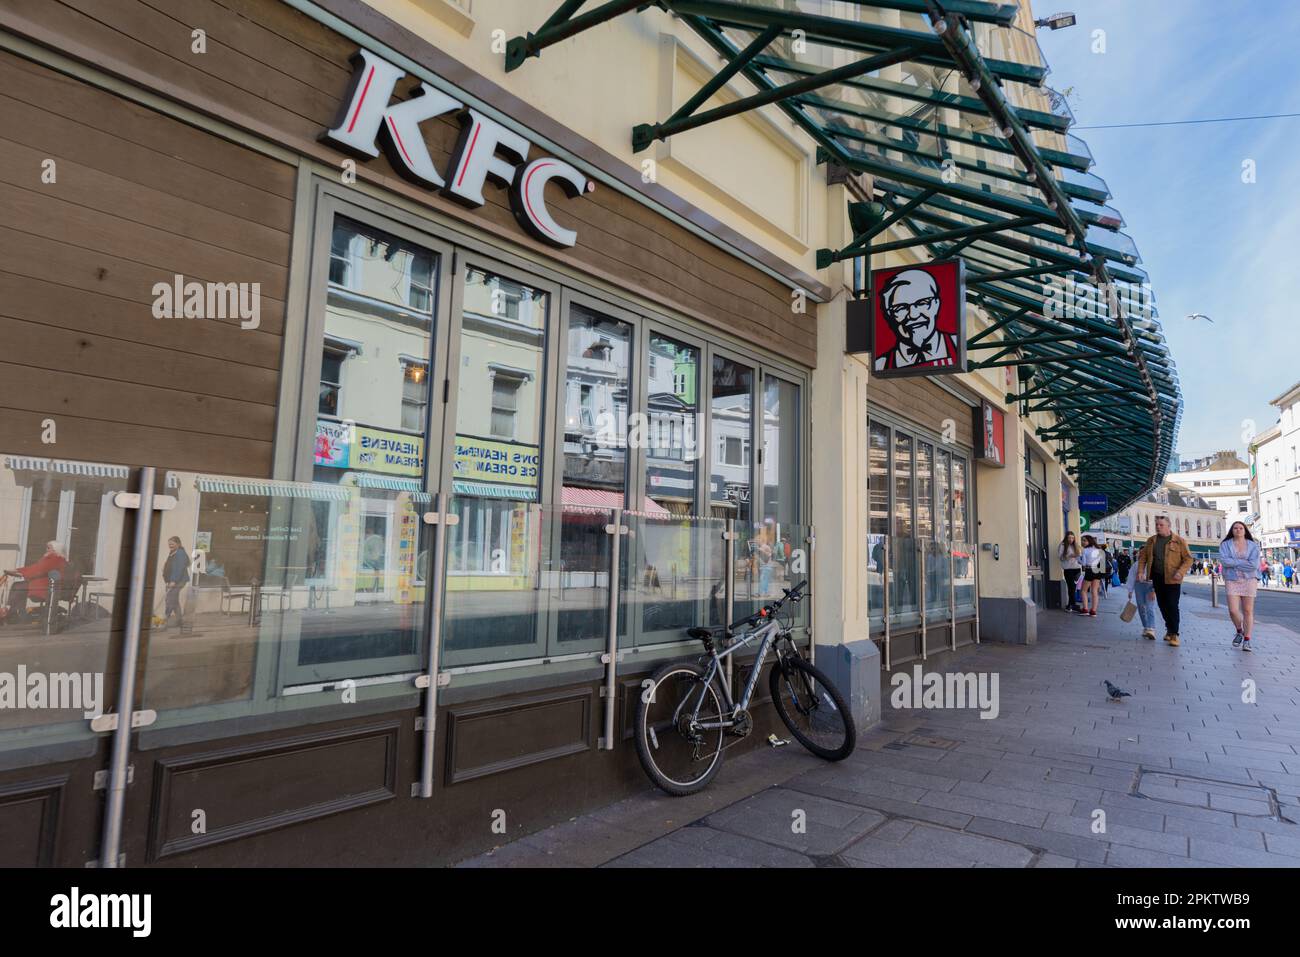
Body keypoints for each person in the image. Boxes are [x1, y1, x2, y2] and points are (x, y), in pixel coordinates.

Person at [873, 269, 960, 372]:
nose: (913, 315)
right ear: (889, 315)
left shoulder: (958, 345)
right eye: (900, 308)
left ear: (936, 304)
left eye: (922, 303)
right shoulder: (880, 365)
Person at [1136, 515, 1193, 646]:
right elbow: (1143, 557)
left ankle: (1174, 634)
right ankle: (1169, 629)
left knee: (1172, 605)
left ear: (1168, 526)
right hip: (1157, 577)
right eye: (1156, 524)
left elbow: (1188, 559)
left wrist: (1180, 572)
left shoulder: (1179, 541)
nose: (1158, 527)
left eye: (1161, 525)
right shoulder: (1151, 541)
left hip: (1173, 578)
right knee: (1162, 605)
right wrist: (1140, 572)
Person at [1, 541, 69, 623]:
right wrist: (18, 571)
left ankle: (14, 613)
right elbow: (37, 568)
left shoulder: (54, 559)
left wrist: (17, 571)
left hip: (45, 587)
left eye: (48, 548)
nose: (46, 549)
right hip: (45, 585)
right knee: (19, 586)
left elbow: (38, 569)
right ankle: (16, 613)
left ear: (56, 550)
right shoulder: (57, 559)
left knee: (18, 586)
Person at [1218, 521, 1260, 652]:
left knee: (1248, 611)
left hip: (1249, 580)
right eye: (1235, 528)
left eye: (1241, 528)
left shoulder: (1253, 546)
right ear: (1232, 530)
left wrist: (1234, 563)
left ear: (1245, 530)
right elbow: (1224, 561)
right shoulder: (1225, 544)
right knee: (1233, 610)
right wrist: (1242, 563)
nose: (1238, 530)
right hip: (1232, 579)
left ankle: (1247, 640)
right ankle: (1239, 630)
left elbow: (1253, 565)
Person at [162, 536, 190, 632]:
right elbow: (170, 565)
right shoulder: (172, 553)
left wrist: (173, 580)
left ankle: (164, 620)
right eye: (169, 544)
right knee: (174, 600)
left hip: (179, 580)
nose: (170, 545)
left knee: (170, 598)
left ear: (178, 544)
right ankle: (180, 621)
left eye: (172, 543)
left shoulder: (180, 553)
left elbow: (179, 568)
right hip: (172, 580)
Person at [1078, 534, 1104, 617]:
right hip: (1098, 571)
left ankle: (1085, 609)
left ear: (1089, 541)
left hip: (1089, 570)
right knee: (1094, 591)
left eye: (1084, 540)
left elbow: (1084, 563)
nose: (1083, 542)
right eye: (1082, 540)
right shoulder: (1099, 549)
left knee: (1083, 590)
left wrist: (1078, 558)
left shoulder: (1085, 550)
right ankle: (1093, 611)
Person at [1057, 531, 1082, 612]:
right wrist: (1069, 556)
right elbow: (1060, 558)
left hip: (1077, 569)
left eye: (1072, 538)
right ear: (1066, 538)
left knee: (1073, 587)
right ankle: (1072, 604)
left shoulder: (1076, 545)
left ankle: (1070, 605)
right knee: (1070, 587)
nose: (1071, 539)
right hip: (1068, 569)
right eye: (1069, 537)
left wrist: (1078, 556)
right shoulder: (1062, 545)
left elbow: (1080, 557)